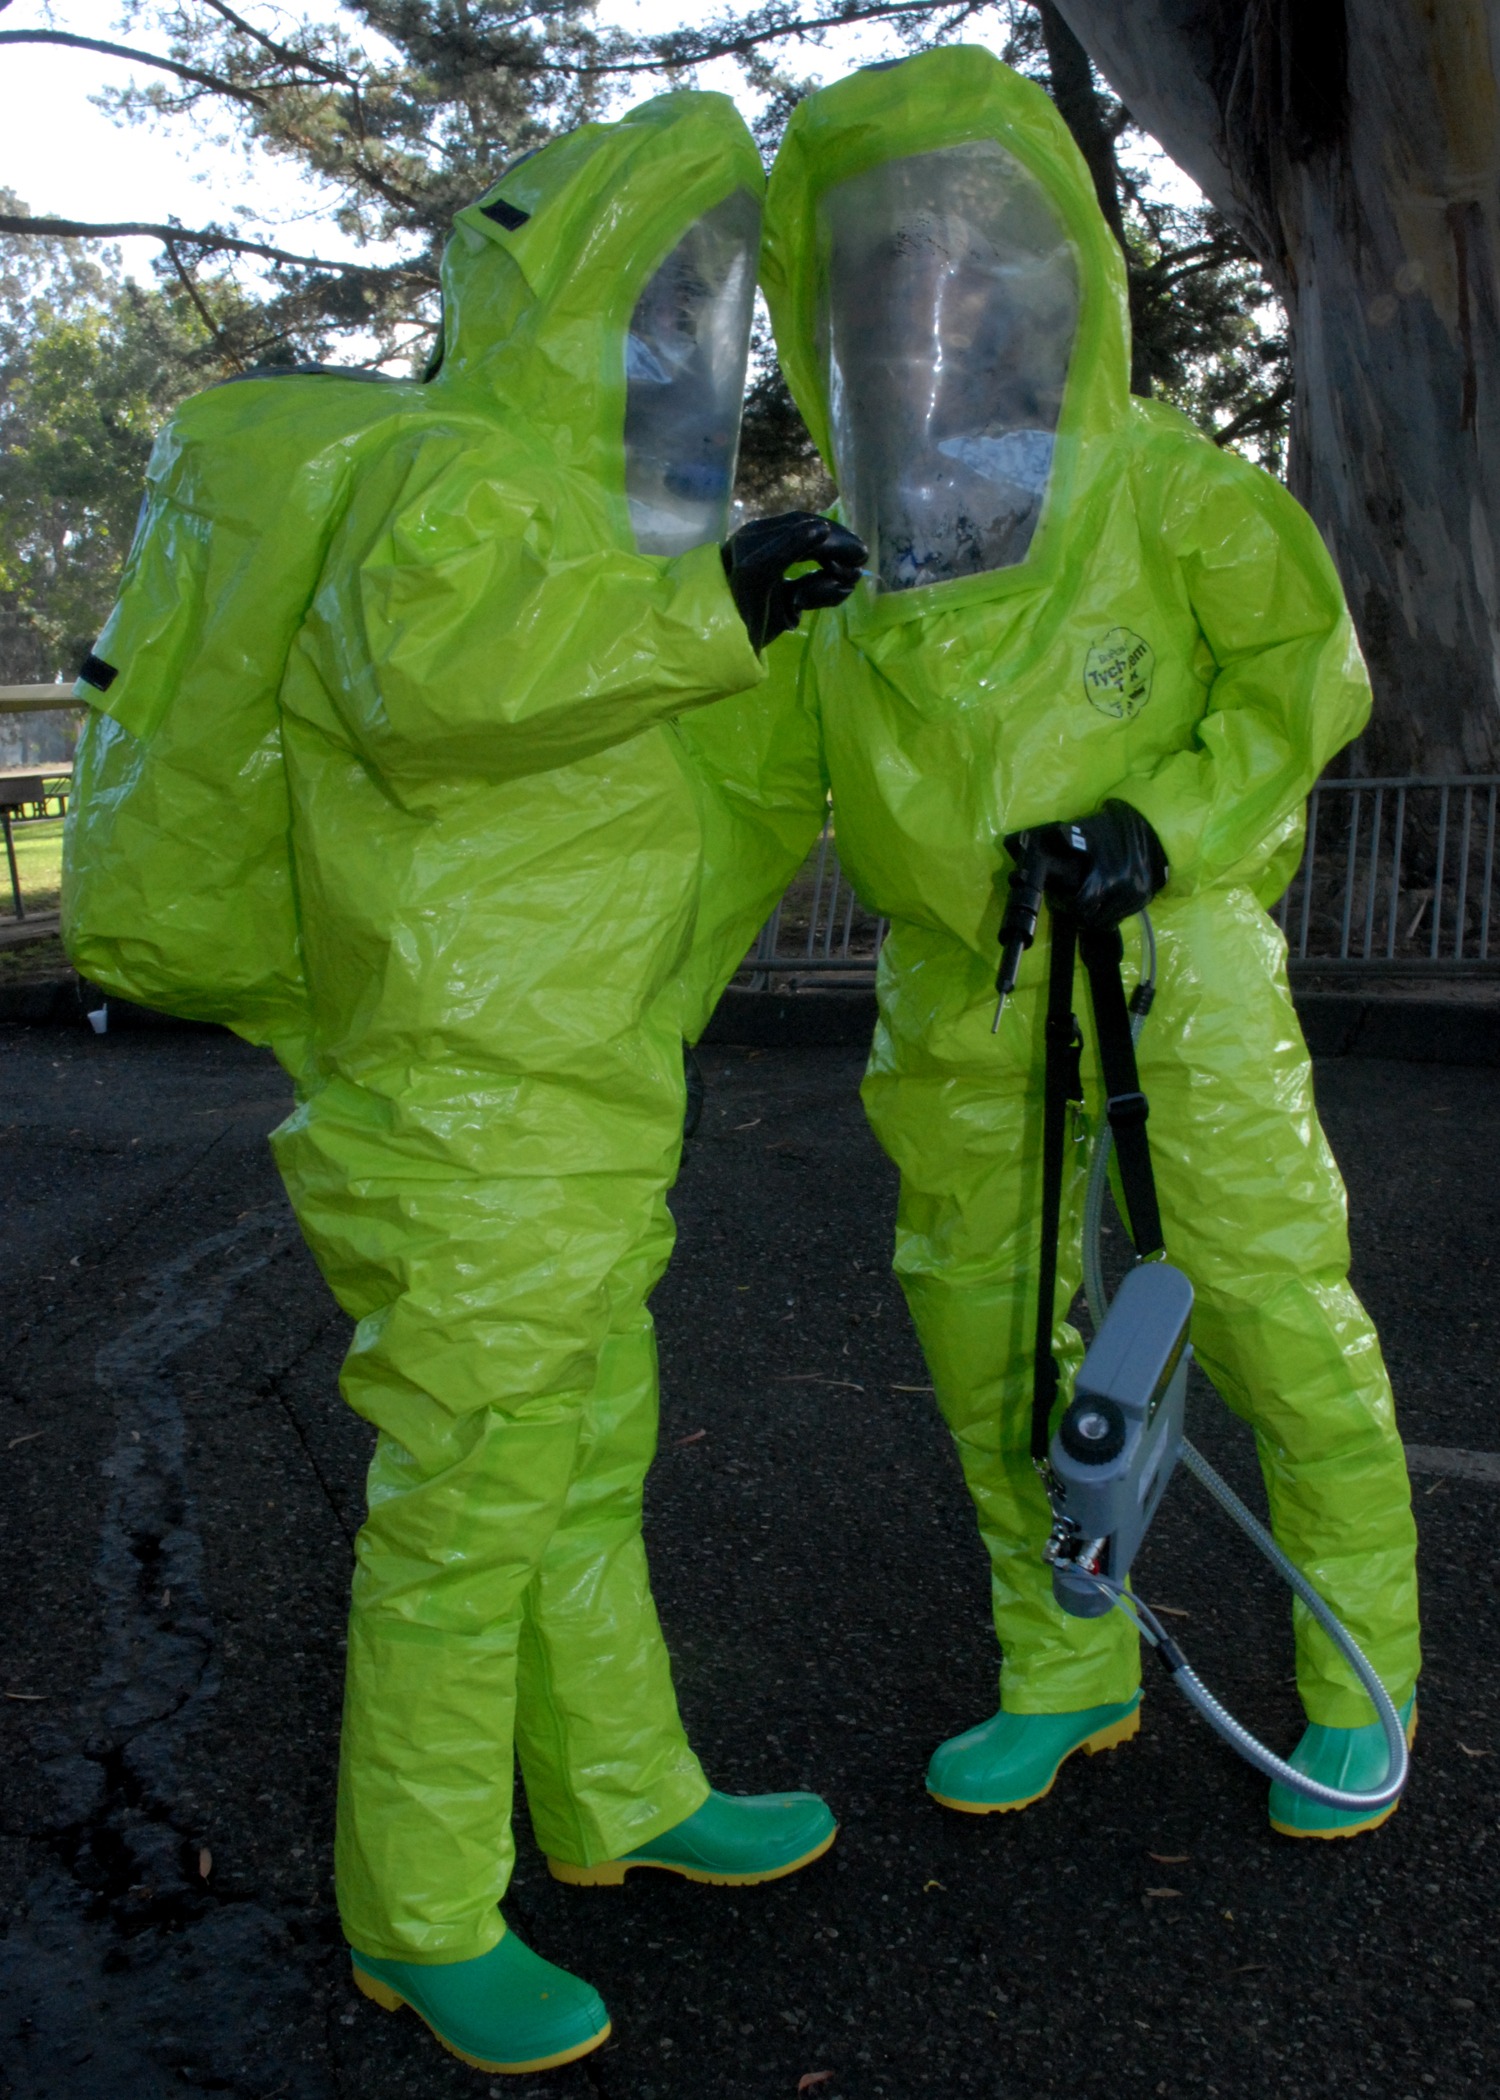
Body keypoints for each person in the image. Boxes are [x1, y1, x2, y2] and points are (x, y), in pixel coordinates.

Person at [161, 91, 855, 2075]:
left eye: (711, 313)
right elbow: (438, 689)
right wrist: (709, 606)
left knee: (576, 1473)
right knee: (469, 1508)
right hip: (459, 1111)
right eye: (664, 302)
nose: (693, 351)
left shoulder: (619, 535)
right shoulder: (453, 484)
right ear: (560, 292)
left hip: (575, 1101)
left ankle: (620, 1788)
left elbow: (666, 824)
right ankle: (420, 1912)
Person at [761, 45, 1419, 1842]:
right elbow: (728, 810)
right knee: (998, 1346)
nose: (933, 299)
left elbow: (1306, 678)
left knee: (1276, 1309)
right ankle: (1065, 1671)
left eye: (969, 255)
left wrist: (1163, 826)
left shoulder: (1163, 485)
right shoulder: (851, 570)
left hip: (1170, 965)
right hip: (954, 994)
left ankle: (1357, 1674)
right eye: (889, 268)